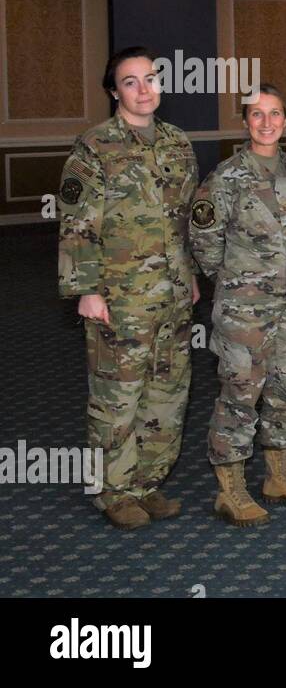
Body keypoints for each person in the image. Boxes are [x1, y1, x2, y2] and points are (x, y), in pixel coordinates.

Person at [58, 46, 199, 529]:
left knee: (167, 392)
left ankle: (145, 483)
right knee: (118, 396)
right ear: (114, 91)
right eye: (131, 81)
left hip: (173, 294)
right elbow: (77, 224)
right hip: (120, 297)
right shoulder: (94, 147)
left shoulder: (178, 143)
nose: (144, 89)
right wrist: (87, 290)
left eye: (151, 78)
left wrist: (191, 277)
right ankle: (111, 491)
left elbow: (184, 223)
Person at [191, 85, 286, 527]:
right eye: (257, 115)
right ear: (245, 122)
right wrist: (237, 284)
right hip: (245, 313)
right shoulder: (225, 178)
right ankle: (231, 490)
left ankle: (277, 477)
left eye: (276, 114)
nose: (267, 123)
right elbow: (205, 244)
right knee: (239, 397)